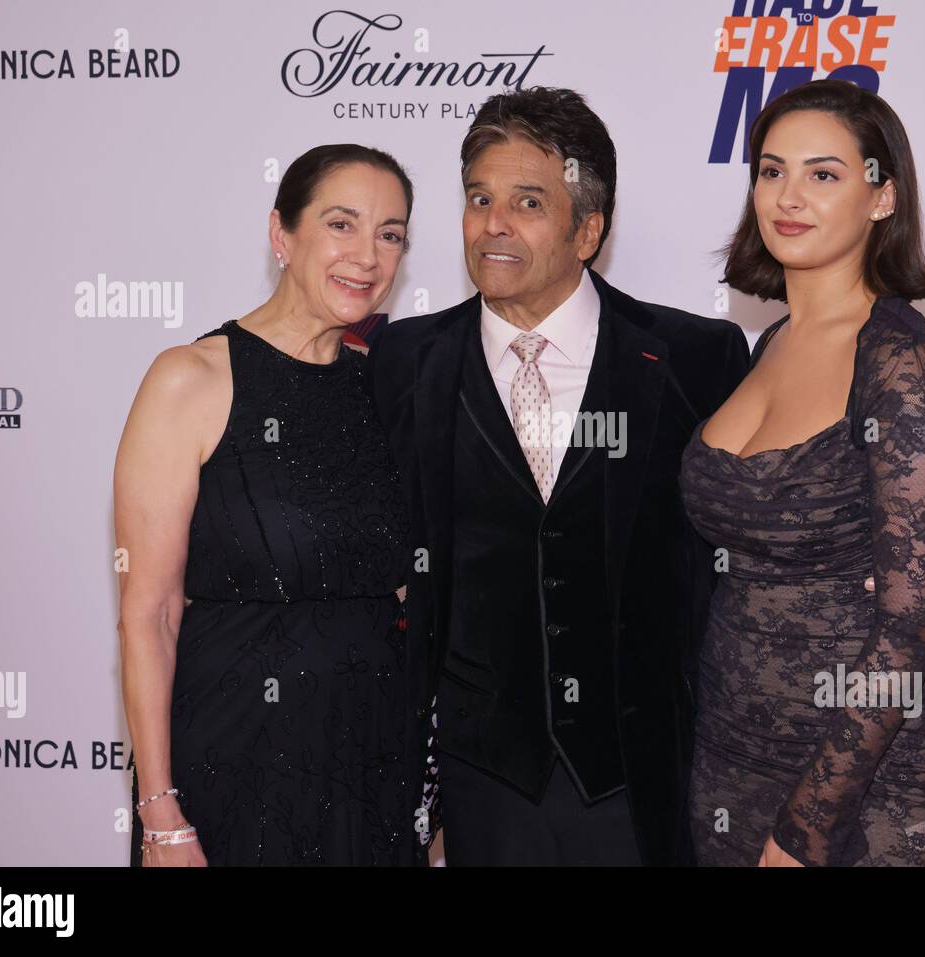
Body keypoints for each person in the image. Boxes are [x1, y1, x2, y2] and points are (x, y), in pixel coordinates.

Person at [368, 87, 749, 865]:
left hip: (642, 783)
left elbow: (736, 561)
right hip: (481, 789)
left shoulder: (696, 357)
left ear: (589, 229)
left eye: (528, 202)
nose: (493, 224)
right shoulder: (404, 361)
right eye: (479, 198)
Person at [681, 79, 925, 866]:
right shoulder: (769, 340)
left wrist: (807, 824)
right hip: (734, 759)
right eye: (771, 171)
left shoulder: (905, 363)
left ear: (882, 198)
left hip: (872, 782)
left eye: (824, 174)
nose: (788, 196)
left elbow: (914, 625)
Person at [114, 144, 435, 865]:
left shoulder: (384, 389)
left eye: (390, 234)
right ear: (281, 235)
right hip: (234, 763)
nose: (368, 255)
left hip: (373, 769)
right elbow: (150, 615)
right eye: (341, 224)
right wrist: (160, 809)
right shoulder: (189, 379)